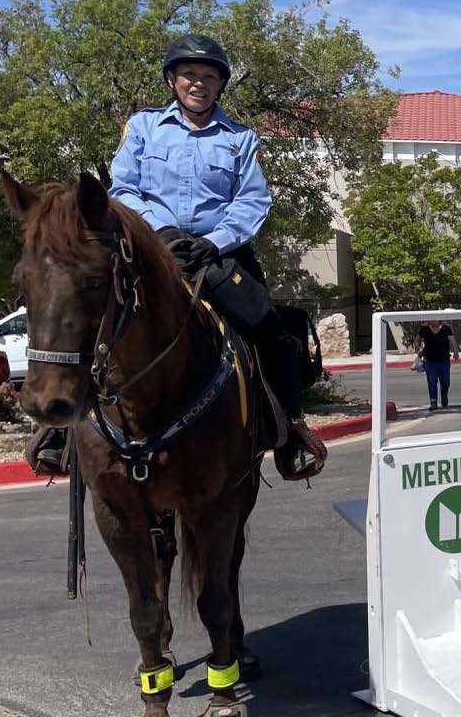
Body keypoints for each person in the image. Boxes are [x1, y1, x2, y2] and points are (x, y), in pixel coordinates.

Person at [105, 33, 325, 479]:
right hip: (151, 252)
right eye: (190, 75)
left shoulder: (240, 139)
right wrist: (158, 230)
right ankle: (61, 429)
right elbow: (123, 187)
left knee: (270, 327)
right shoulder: (144, 128)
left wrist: (216, 240)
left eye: (209, 77)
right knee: (87, 312)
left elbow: (252, 201)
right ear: (172, 79)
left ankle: (290, 432)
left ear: (220, 85)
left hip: (215, 256)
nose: (199, 84)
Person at [417, 321, 459, 410]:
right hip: (429, 360)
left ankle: (444, 395)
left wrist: (456, 352)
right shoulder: (424, 329)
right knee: (432, 381)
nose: (433, 320)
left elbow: (452, 340)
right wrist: (419, 350)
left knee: (445, 381)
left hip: (444, 360)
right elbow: (418, 340)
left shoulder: (445, 328)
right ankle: (433, 402)